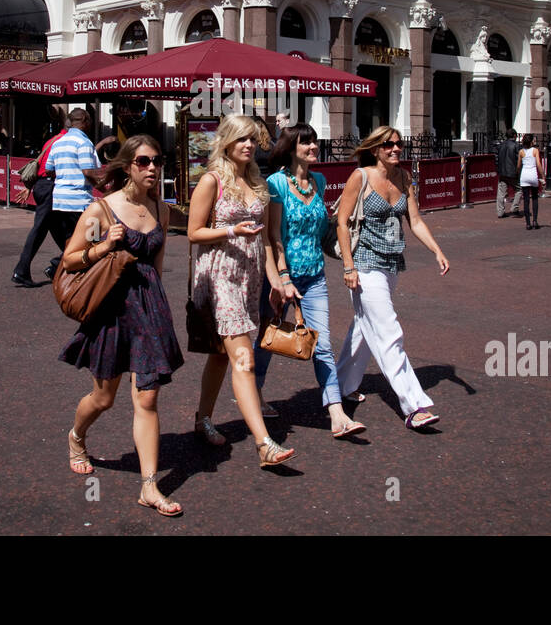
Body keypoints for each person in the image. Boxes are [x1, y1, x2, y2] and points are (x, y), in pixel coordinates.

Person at [59, 134, 184, 517]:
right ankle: (77, 436)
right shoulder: (102, 210)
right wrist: (104, 246)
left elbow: (157, 266)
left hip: (149, 309)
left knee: (147, 397)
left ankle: (149, 485)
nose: (152, 168)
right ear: (128, 166)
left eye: (158, 161)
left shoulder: (160, 209)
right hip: (112, 311)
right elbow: (71, 259)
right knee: (104, 398)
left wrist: (162, 313)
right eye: (144, 161)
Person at [188, 114, 296, 468]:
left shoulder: (256, 181)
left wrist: (276, 279)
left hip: (249, 277)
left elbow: (263, 239)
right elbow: (193, 232)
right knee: (244, 357)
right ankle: (264, 443)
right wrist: (232, 231)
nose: (249, 145)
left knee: (222, 354)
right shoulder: (212, 180)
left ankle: (202, 418)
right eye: (241, 139)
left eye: (252, 139)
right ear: (226, 142)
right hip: (220, 274)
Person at [336, 126, 450, 430]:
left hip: (391, 263)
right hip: (364, 264)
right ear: (375, 149)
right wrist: (348, 266)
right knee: (388, 331)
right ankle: (414, 405)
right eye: (389, 145)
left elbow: (415, 220)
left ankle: (340, 386)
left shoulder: (404, 177)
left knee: (364, 328)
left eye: (399, 144)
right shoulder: (360, 177)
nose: (396, 149)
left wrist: (437, 250)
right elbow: (342, 223)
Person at [256, 122, 365, 438]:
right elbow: (274, 235)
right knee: (269, 338)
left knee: (323, 344)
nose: (313, 147)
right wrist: (283, 278)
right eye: (305, 142)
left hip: (315, 276)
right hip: (281, 278)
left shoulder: (320, 180)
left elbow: (320, 227)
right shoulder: (276, 183)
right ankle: (254, 394)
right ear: (291, 149)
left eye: (314, 141)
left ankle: (336, 413)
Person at [43, 109, 101, 281]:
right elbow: (88, 172)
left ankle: (64, 268)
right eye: (89, 121)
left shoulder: (58, 142)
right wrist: (103, 188)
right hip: (79, 201)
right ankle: (57, 266)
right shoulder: (84, 142)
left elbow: (48, 169)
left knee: (70, 239)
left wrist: (64, 176)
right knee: (92, 237)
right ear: (84, 120)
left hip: (59, 200)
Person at [11, 125, 69, 288]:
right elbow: (50, 168)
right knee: (41, 229)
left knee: (62, 231)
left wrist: (31, 186)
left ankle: (59, 265)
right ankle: (22, 270)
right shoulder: (65, 141)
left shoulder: (52, 140)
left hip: (43, 186)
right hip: (50, 187)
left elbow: (41, 163)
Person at [518, 133, 545, 230]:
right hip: (533, 174)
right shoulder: (535, 150)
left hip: (524, 174)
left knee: (526, 200)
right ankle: (535, 220)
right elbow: (538, 164)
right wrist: (542, 176)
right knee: (534, 198)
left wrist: (518, 174)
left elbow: (518, 166)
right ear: (531, 141)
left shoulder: (521, 151)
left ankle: (528, 223)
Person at [495, 129, 523, 219]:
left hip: (502, 172)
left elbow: (496, 159)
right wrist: (518, 170)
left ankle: (500, 212)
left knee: (501, 192)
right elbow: (519, 160)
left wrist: (498, 169)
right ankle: (514, 207)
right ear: (514, 135)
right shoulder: (516, 145)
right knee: (519, 189)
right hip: (513, 172)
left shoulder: (501, 145)